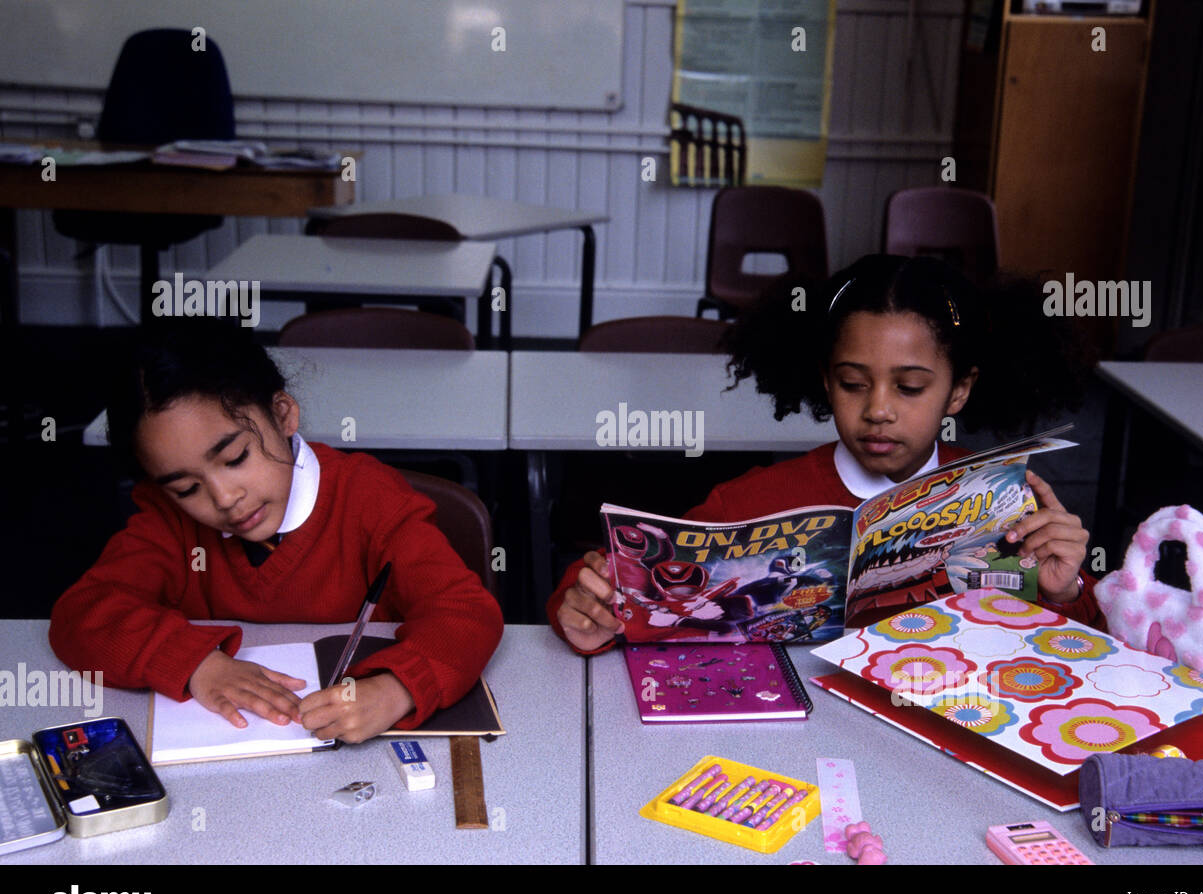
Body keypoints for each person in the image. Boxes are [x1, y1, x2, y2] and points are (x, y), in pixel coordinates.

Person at [550, 254, 1100, 653]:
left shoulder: (1003, 499)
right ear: (825, 382)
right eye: (853, 384)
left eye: (910, 388)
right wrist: (585, 609)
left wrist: (1065, 590)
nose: (878, 410)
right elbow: (612, 582)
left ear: (959, 390)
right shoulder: (752, 499)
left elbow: (1094, 641)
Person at [50, 319, 502, 742]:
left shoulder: (371, 500)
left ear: (283, 414)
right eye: (188, 487)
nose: (225, 498)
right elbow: (83, 615)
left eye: (236, 459)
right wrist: (196, 664)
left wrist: (396, 688)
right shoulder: (170, 522)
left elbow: (467, 612)